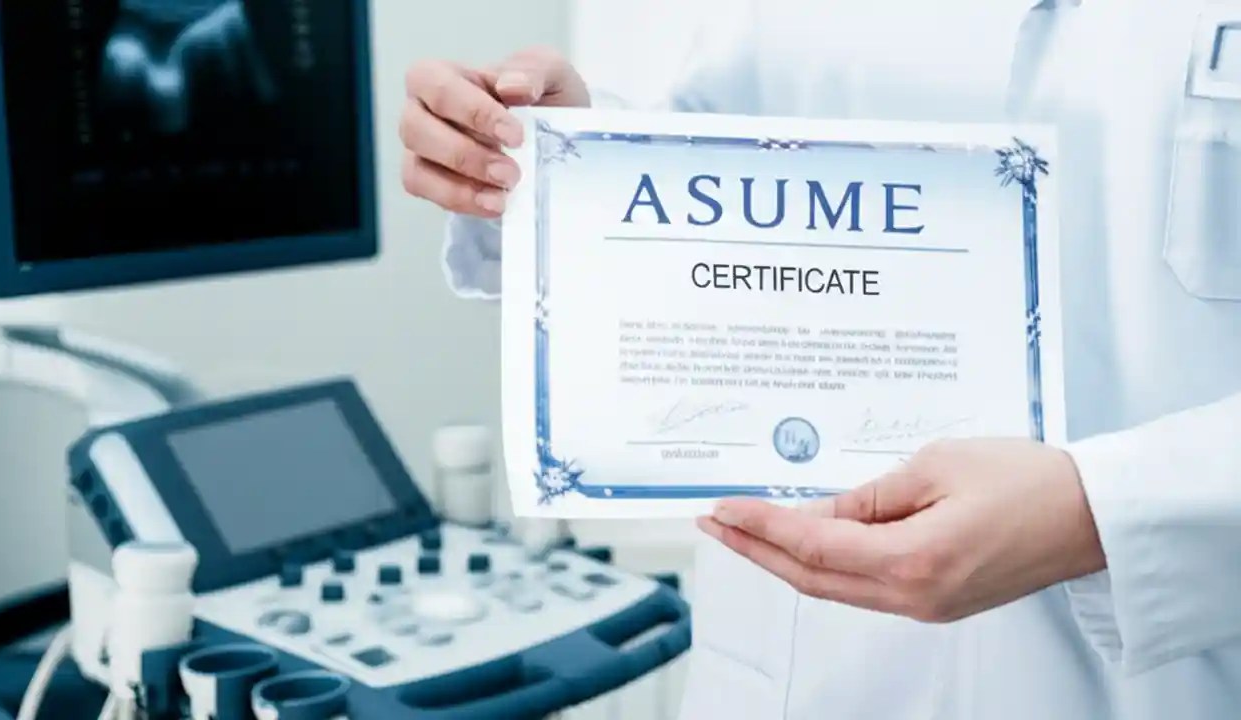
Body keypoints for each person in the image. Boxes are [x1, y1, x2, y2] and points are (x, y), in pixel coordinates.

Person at [397, 1, 1241, 717]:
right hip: (791, 666)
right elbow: (726, 177)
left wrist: (1104, 511)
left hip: (1148, 672)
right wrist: (556, 165)